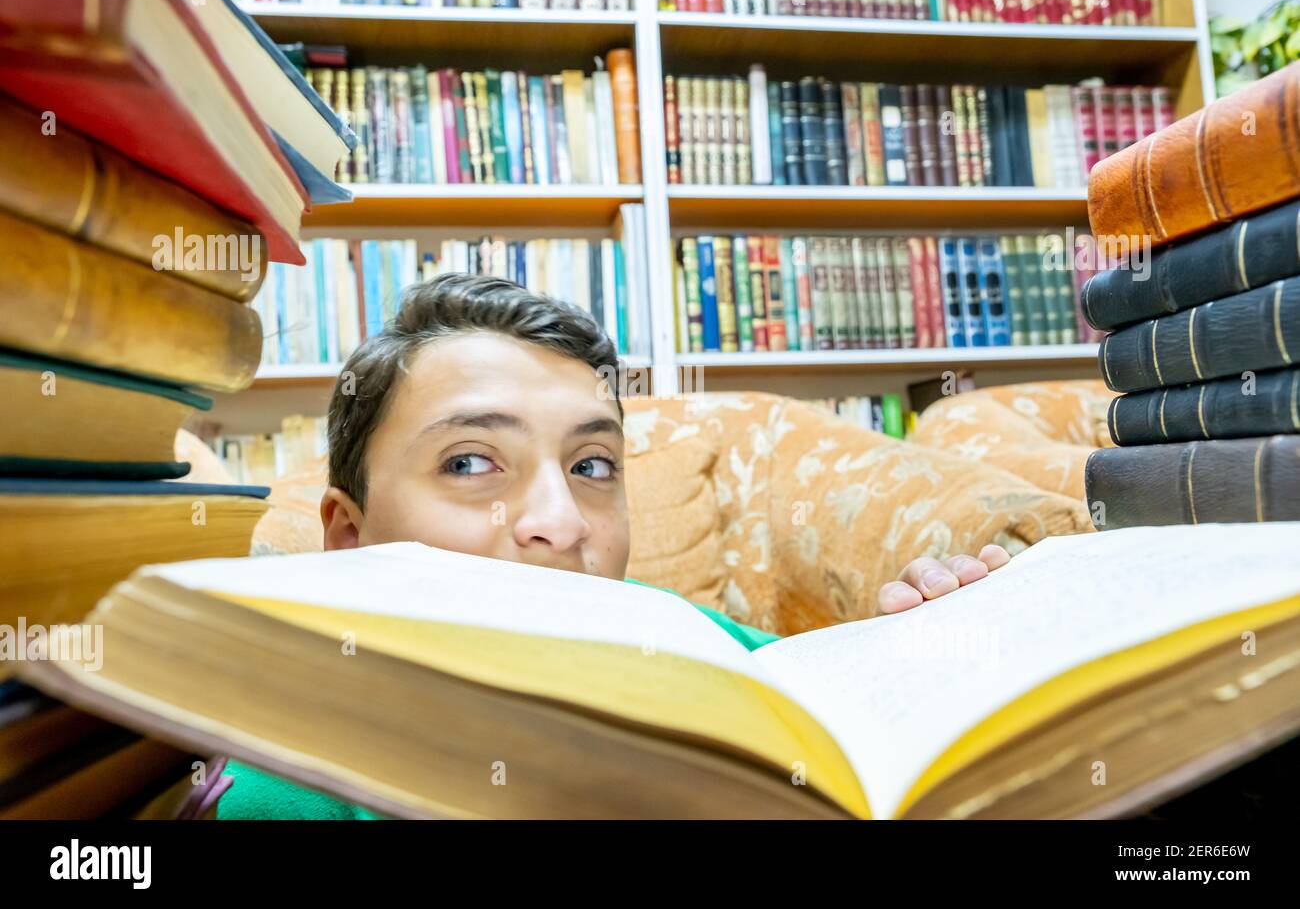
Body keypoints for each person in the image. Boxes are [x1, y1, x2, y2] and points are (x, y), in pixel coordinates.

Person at [217, 274, 1010, 818]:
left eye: (591, 466)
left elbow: (847, 733)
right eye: (469, 463)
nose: (562, 522)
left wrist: (928, 661)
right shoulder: (293, 780)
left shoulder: (682, 636)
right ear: (348, 536)